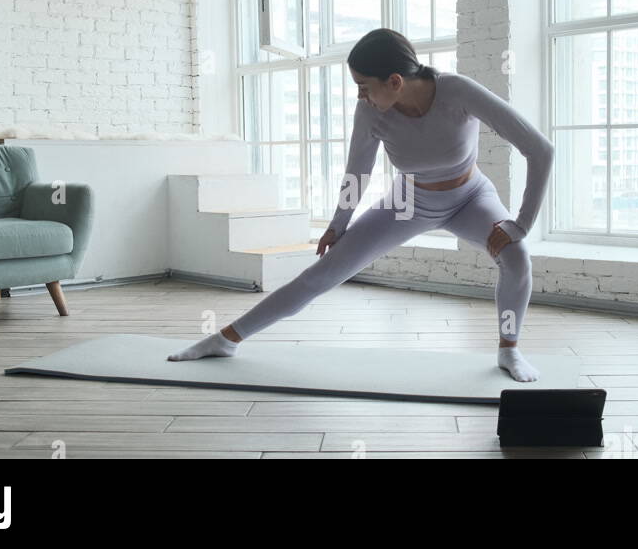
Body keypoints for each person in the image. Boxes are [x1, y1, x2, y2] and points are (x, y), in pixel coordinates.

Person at [168, 28, 554, 382]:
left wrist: (519, 225)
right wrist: (338, 225)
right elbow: (358, 171)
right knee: (324, 272)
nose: (360, 95)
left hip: (470, 197)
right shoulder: (371, 111)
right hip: (409, 200)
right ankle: (226, 338)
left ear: (396, 81)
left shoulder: (458, 92)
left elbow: (539, 149)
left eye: (363, 86)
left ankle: (509, 350)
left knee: (517, 256)